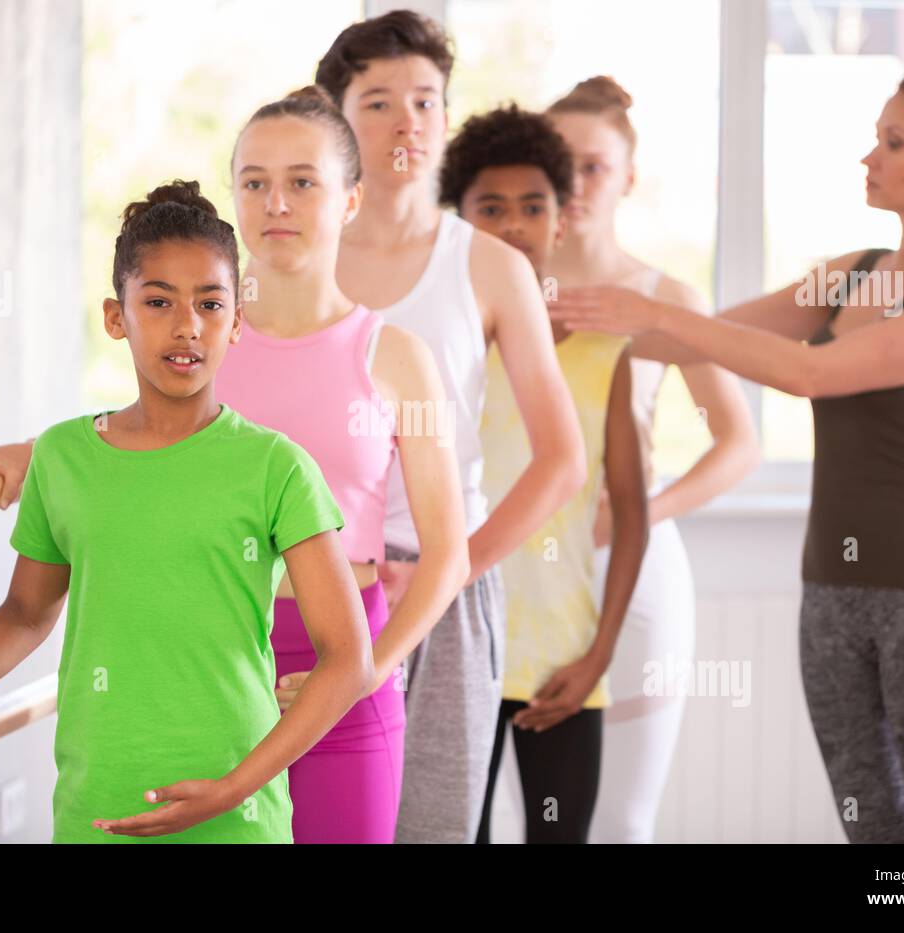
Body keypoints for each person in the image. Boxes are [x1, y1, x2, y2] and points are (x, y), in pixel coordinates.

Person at [549, 66, 904, 843]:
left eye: (893, 142)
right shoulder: (855, 276)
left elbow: (809, 373)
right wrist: (565, 310)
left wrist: (656, 310)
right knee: (873, 833)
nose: (869, 157)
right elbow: (681, 339)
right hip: (829, 593)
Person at [0, 181, 374, 842]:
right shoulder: (64, 456)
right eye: (158, 301)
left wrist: (235, 786)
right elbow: (24, 613)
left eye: (210, 303)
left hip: (238, 811)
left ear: (237, 320)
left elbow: (349, 658)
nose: (186, 325)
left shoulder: (277, 466)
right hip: (97, 805)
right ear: (115, 316)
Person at [312, 7, 587, 844]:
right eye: (381, 100)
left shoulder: (490, 264)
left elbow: (561, 460)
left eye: (427, 100)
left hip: (444, 593)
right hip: (312, 583)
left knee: (432, 828)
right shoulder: (298, 254)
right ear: (336, 119)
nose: (408, 121)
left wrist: (453, 567)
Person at [214, 86, 468, 842]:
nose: (275, 202)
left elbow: (447, 554)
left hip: (347, 668)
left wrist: (369, 668)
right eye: (254, 182)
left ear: (351, 199)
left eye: (303, 181)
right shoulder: (200, 347)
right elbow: (124, 445)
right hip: (216, 662)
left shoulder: (398, 359)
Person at [545, 76, 760, 842]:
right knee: (530, 816)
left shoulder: (665, 293)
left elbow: (738, 441)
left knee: (622, 820)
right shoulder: (495, 287)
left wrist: (638, 511)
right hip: (523, 567)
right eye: (558, 162)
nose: (574, 183)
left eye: (595, 166)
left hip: (632, 572)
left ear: (629, 177)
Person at [436, 103, 648, 844]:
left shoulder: (604, 355)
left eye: (533, 206)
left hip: (562, 661)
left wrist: (598, 655)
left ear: (562, 220)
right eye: (490, 207)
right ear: (455, 221)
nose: (514, 225)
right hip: (452, 648)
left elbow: (632, 510)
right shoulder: (435, 354)